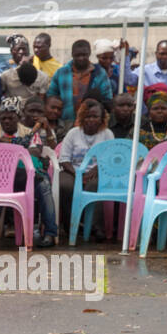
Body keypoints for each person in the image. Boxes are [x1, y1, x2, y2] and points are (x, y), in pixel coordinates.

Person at [0, 97, 58, 247]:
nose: (7, 121)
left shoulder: (29, 132)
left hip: (28, 176)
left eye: (11, 118)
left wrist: (8, 145)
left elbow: (36, 151)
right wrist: (20, 150)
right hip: (2, 175)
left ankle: (50, 233)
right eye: (3, 118)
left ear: (18, 117)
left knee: (44, 185)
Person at [57, 99, 113, 236]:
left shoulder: (107, 134)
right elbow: (64, 159)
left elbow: (109, 159)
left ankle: (95, 227)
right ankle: (70, 224)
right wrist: (77, 174)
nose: (91, 120)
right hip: (72, 171)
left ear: (102, 118)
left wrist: (95, 171)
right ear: (82, 117)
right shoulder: (73, 133)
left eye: (95, 116)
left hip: (98, 172)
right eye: (88, 116)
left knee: (94, 186)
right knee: (64, 185)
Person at [50, 40, 114, 123]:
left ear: (89, 53)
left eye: (84, 55)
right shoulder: (61, 73)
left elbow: (107, 99)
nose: (81, 58)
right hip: (65, 122)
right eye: (77, 55)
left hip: (91, 123)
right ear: (72, 54)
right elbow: (51, 96)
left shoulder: (100, 73)